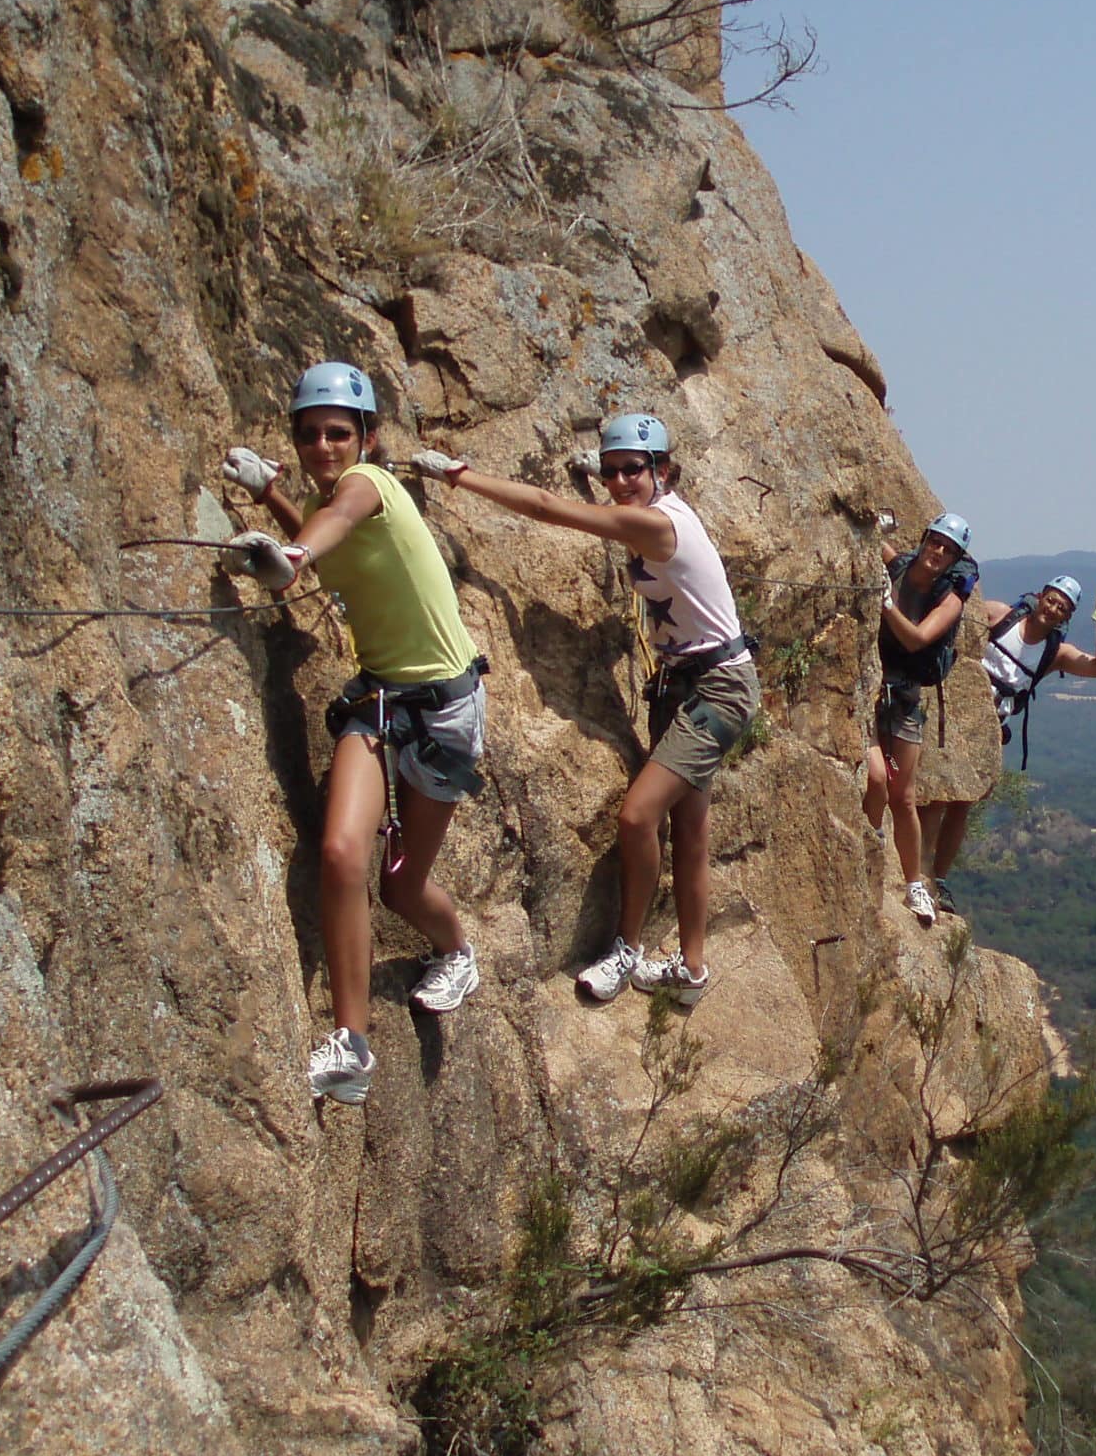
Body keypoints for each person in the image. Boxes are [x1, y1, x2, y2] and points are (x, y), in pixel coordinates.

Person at [411, 415, 754, 1006]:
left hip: (717, 687)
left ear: (662, 472)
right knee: (689, 832)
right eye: (612, 470)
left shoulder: (657, 523)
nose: (620, 481)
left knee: (637, 817)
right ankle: (692, 971)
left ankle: (626, 949)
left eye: (633, 471)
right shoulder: (657, 510)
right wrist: (596, 478)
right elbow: (610, 516)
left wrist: (460, 476)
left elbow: (547, 508)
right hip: (687, 682)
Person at [221, 362, 487, 1107]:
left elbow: (329, 530)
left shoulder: (373, 484)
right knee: (341, 852)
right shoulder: (323, 495)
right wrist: (271, 501)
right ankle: (353, 1044)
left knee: (401, 886)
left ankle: (457, 951)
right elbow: (316, 530)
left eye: (338, 433)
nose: (323, 446)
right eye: (309, 435)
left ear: (368, 437)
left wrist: (293, 556)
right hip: (379, 696)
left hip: (442, 709)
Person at [917, 573, 1096, 912]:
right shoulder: (1001, 616)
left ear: (1067, 617)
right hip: (954, 712)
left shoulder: (1054, 653)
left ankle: (937, 879)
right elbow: (957, 617)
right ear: (1040, 596)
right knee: (938, 798)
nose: (1054, 607)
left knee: (961, 805)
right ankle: (920, 872)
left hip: (988, 731)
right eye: (1052, 599)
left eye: (1063, 607)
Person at [866, 513, 978, 926]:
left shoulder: (949, 599)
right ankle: (872, 844)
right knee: (877, 777)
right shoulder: (898, 567)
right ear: (925, 540)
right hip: (870, 691)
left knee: (903, 795)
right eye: (935, 543)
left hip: (904, 701)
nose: (938, 553)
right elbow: (874, 539)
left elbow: (916, 639)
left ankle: (915, 884)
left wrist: (886, 604)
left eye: (948, 551)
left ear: (954, 561)